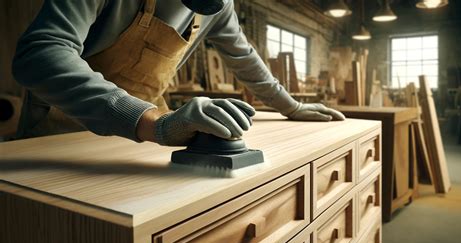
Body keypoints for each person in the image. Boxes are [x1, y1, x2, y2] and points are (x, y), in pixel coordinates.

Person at [12, 0, 345, 146]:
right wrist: (152, 123)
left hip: (141, 137)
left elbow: (244, 58)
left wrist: (291, 107)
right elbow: (40, 54)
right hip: (59, 130)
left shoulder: (219, 8)